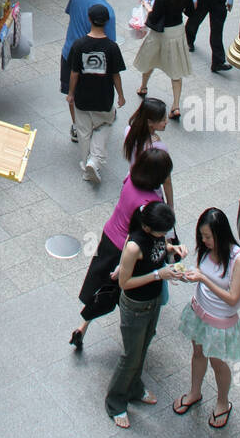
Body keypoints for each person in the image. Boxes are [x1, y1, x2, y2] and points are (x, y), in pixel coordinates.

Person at [70, 148, 174, 350]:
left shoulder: (130, 179)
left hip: (109, 235)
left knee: (101, 288)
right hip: (126, 250)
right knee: (116, 291)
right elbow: (139, 234)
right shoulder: (150, 203)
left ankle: (82, 326)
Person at [105, 201, 185, 427]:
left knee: (145, 344)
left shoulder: (157, 235)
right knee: (131, 354)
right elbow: (125, 282)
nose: (165, 235)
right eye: (162, 232)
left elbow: (158, 250)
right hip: (136, 306)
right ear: (148, 228)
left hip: (153, 300)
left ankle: (134, 386)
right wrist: (158, 275)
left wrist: (173, 249)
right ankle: (115, 401)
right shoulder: (134, 246)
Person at [175, 208, 240, 429]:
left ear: (221, 234)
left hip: (219, 322)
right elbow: (202, 272)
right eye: (202, 236)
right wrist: (189, 276)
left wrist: (203, 279)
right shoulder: (207, 250)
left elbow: (233, 298)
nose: (204, 241)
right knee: (197, 353)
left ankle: (222, 402)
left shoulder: (239, 259)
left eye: (208, 237)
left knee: (217, 362)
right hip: (199, 312)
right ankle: (195, 392)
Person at [66, 2, 126, 186]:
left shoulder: (79, 45)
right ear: (106, 21)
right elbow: (115, 75)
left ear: (89, 20)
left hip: (83, 98)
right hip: (104, 98)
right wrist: (121, 96)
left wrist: (70, 94)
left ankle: (86, 165)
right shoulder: (112, 47)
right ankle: (95, 161)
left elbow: (74, 73)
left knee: (83, 132)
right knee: (105, 126)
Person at [59, 0, 119, 142]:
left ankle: (77, 127)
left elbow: (70, 13)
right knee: (94, 91)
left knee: (71, 92)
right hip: (93, 60)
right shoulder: (108, 11)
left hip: (70, 52)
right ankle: (96, 122)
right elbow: (110, 41)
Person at [133, 0, 195, 121]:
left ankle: (143, 87)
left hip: (160, 33)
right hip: (177, 32)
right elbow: (190, 12)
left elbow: (154, 16)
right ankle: (175, 106)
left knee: (150, 60)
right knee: (176, 70)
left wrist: (147, 6)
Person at [123, 97, 173, 207]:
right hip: (151, 193)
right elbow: (166, 180)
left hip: (131, 184)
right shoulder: (158, 147)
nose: (166, 121)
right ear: (150, 122)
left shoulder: (128, 131)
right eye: (162, 119)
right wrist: (170, 206)